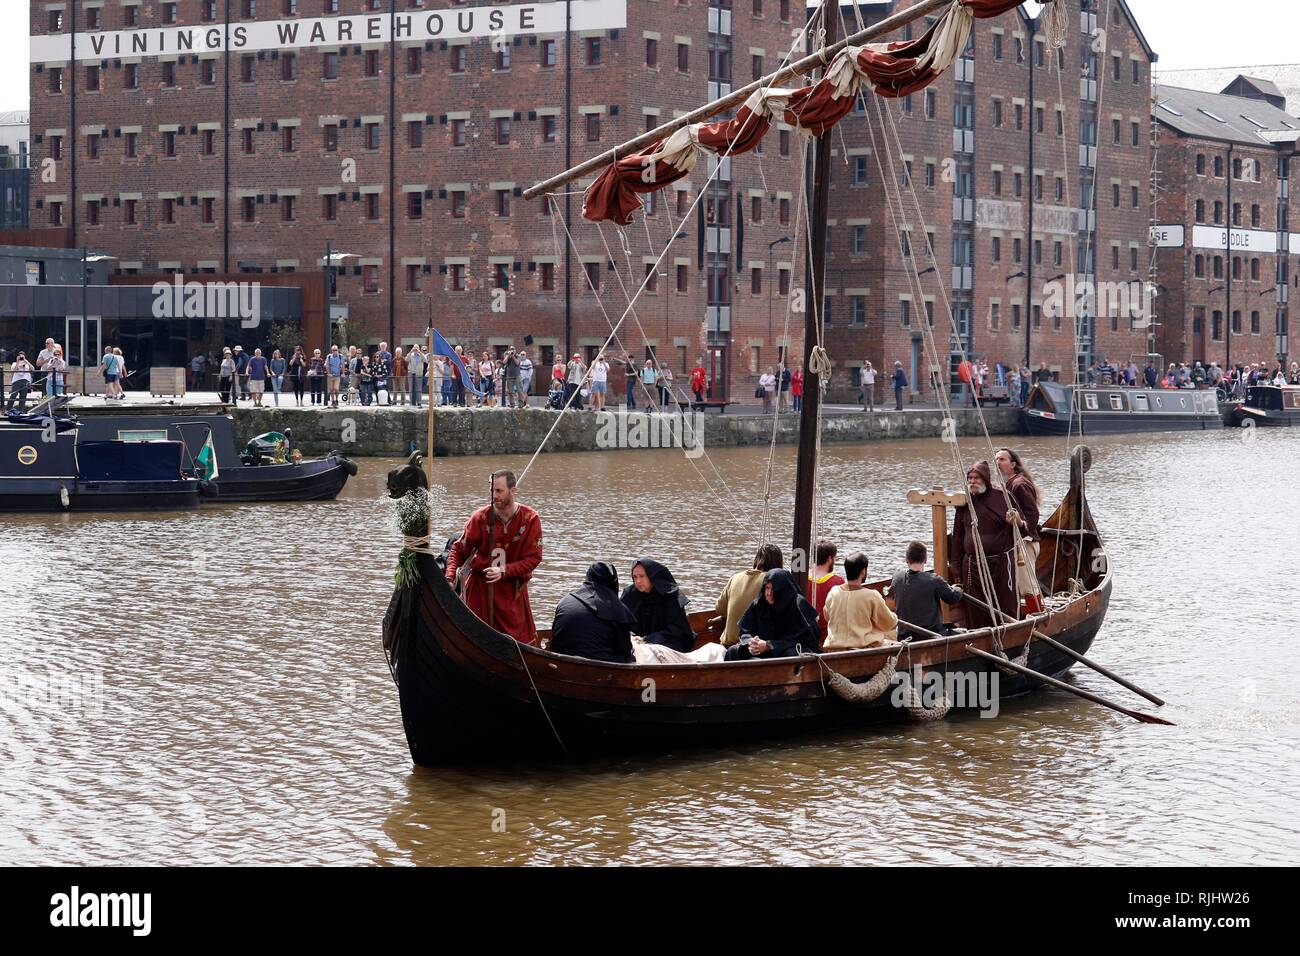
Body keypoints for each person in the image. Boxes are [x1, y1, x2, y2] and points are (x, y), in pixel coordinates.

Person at [445, 469, 544, 645]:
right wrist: (449, 577)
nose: (494, 496)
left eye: (499, 491)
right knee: (475, 639)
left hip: (512, 594)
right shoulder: (480, 517)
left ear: (512, 491)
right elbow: (459, 549)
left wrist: (505, 570)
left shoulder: (530, 519)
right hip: (481, 592)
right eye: (492, 490)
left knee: (517, 645)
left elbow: (533, 558)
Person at [951, 460, 1018, 629]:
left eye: (977, 478)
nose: (972, 481)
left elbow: (1022, 526)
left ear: (986, 479)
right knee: (975, 607)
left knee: (1004, 604)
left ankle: (1008, 634)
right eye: (970, 477)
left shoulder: (1003, 497)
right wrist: (955, 566)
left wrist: (1015, 521)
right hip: (973, 565)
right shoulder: (965, 501)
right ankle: (978, 634)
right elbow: (958, 536)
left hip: (1001, 563)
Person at [550, 562, 636, 664]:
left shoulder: (566, 599)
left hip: (558, 661)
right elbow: (625, 650)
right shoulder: (617, 608)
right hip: (599, 666)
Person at [724, 569, 819, 661]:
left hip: (788, 648)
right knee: (733, 651)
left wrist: (769, 645)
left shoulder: (798, 604)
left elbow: (802, 639)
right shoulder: (760, 603)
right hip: (763, 648)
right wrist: (751, 642)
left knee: (791, 655)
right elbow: (746, 630)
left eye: (774, 589)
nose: (769, 593)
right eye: (767, 588)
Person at [822, 552, 899, 650]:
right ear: (863, 572)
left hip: (834, 648)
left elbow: (827, 616)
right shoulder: (871, 595)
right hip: (862, 647)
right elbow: (889, 623)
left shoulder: (834, 592)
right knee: (891, 634)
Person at [712, 544, 783, 649]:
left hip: (727, 646)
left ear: (757, 560)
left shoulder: (735, 578)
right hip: (754, 648)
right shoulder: (773, 581)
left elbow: (720, 608)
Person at [891, 541, 963, 640]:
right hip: (932, 636)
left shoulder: (896, 578)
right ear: (925, 560)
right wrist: (958, 588)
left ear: (907, 560)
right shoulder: (934, 580)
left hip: (904, 637)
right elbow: (952, 598)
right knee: (963, 633)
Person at [620, 558, 694, 653]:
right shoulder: (630, 594)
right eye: (635, 577)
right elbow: (621, 622)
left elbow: (677, 630)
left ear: (652, 577)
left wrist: (648, 640)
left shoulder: (670, 595)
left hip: (668, 641)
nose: (638, 581)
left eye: (642, 576)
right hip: (637, 641)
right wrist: (633, 638)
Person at [807, 538, 845, 645]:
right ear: (830, 558)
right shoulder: (837, 581)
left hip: (805, 634)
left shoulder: (801, 578)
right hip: (827, 637)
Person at [407, 344, 425, 408]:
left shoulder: (421, 355)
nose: (416, 349)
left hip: (419, 373)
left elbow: (425, 360)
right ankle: (411, 401)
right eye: (415, 348)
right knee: (411, 388)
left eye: (417, 348)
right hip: (411, 373)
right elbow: (406, 359)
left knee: (419, 388)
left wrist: (420, 352)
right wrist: (410, 352)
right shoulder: (410, 355)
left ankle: (419, 401)